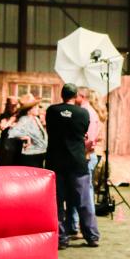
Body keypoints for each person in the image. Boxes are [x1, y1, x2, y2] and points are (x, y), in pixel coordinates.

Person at [45, 83, 100, 249]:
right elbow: (84, 134)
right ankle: (91, 236)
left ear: (62, 95)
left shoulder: (51, 111)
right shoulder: (83, 113)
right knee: (84, 201)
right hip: (77, 162)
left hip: (55, 162)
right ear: (76, 96)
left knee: (57, 202)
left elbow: (50, 130)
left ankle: (61, 239)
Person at [65, 87, 102, 237]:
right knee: (78, 191)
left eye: (76, 96)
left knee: (85, 193)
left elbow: (90, 138)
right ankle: (75, 226)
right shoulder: (84, 111)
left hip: (86, 155)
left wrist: (79, 150)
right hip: (84, 154)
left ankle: (86, 228)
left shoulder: (87, 113)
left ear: (81, 96)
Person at [7, 93, 47, 168]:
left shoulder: (35, 118)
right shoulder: (25, 119)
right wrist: (25, 137)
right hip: (30, 157)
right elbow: (12, 133)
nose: (38, 109)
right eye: (36, 107)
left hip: (39, 155)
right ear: (29, 109)